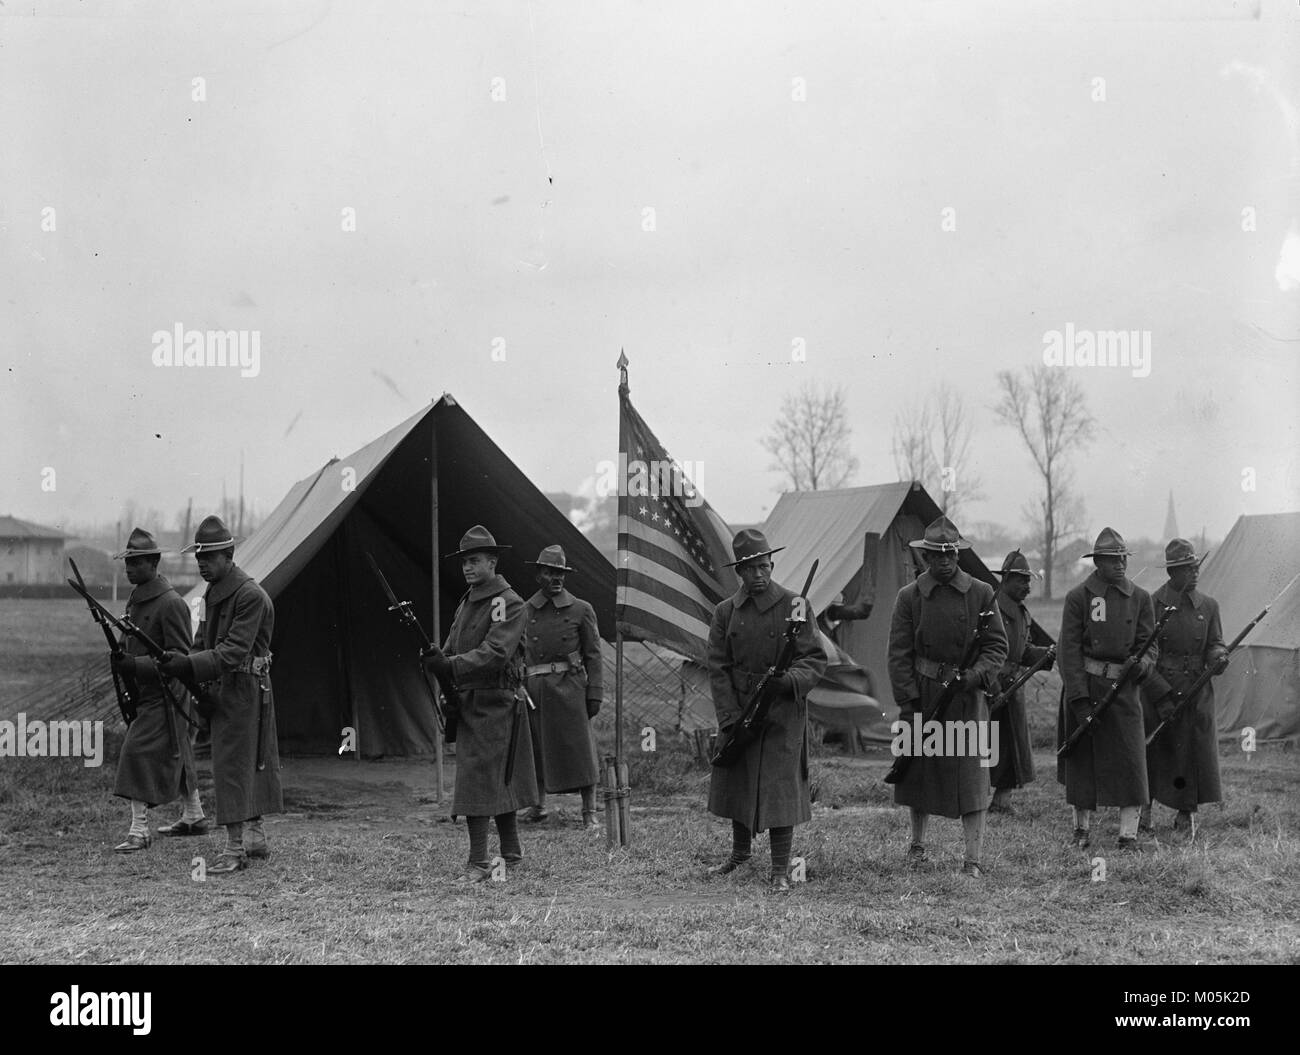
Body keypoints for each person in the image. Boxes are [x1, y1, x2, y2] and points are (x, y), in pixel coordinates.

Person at [705, 529, 827, 892]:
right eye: (751, 569)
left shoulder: (795, 606)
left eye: (765, 566)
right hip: (741, 709)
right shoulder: (725, 612)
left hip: (782, 710)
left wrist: (788, 682)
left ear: (772, 565)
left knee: (779, 789)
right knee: (739, 782)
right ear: (739, 571)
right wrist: (729, 716)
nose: (759, 575)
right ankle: (739, 855)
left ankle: (779, 870)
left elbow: (814, 658)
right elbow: (718, 666)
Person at [160, 515, 281, 874]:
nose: (202, 564)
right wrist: (183, 663)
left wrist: (188, 666)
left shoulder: (250, 596)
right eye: (199, 557)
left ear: (229, 555)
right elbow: (203, 642)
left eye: (209, 557)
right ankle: (254, 839)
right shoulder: (214, 592)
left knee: (237, 767)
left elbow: (232, 652)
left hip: (246, 689)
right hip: (224, 688)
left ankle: (235, 849)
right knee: (241, 764)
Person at [888, 516, 1007, 877]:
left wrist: (974, 676)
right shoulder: (909, 597)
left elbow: (996, 646)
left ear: (958, 553)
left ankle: (972, 858)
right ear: (924, 556)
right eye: (936, 555)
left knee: (971, 777)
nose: (944, 561)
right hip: (924, 695)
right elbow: (899, 653)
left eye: (950, 554)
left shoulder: (982, 593)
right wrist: (908, 703)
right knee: (918, 772)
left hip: (967, 700)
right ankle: (917, 844)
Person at [422, 526, 539, 881]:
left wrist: (451, 666)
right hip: (472, 701)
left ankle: (479, 862)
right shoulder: (470, 600)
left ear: (493, 562)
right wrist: (436, 657)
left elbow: (496, 653)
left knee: (479, 780)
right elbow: (454, 646)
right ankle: (512, 855)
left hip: (496, 702)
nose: (468, 568)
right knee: (495, 780)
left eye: (475, 561)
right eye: (464, 563)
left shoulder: (507, 602)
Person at [1056, 527, 1157, 851]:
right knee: (1083, 760)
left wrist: (1140, 666)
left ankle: (1128, 834)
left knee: (1131, 759)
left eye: (1123, 558)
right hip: (1087, 686)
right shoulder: (1078, 598)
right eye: (1112, 559)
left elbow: (1149, 646)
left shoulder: (1140, 598)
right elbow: (1068, 650)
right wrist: (1079, 698)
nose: (1120, 565)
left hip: (1124, 690)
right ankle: (1080, 830)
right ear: (1097, 561)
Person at [109, 528, 205, 851]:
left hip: (168, 695)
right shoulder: (137, 599)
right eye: (128, 562)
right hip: (147, 691)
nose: (129, 568)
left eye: (136, 562)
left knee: (134, 751)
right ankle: (194, 814)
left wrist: (135, 667)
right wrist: (122, 656)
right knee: (181, 752)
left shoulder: (171, 603)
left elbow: (178, 657)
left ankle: (139, 830)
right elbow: (132, 641)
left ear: (153, 563)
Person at [1140, 539, 1228, 835]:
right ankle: (1144, 811)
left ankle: (1185, 813)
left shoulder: (1209, 605)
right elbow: (1144, 655)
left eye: (1196, 567)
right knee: (1154, 752)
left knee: (1192, 752)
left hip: (1196, 691)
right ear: (1172, 572)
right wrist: (1160, 695)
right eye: (1188, 568)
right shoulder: (1152, 605)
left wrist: (1219, 657)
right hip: (1160, 689)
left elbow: (1216, 643)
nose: (1195, 572)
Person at [520, 545, 603, 830]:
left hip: (570, 689)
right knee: (537, 747)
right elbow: (517, 652)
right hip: (535, 690)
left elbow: (593, 655)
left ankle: (589, 811)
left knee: (580, 750)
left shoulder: (582, 609)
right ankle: (538, 805)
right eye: (549, 572)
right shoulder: (524, 610)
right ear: (538, 574)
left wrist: (595, 693)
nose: (556, 578)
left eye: (560, 573)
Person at [988, 550, 1054, 815]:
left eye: (1029, 581)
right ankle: (974, 801)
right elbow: (983, 651)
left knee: (1011, 746)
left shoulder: (1023, 614)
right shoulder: (990, 607)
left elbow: (1022, 651)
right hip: (990, 687)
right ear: (1006, 580)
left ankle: (1001, 802)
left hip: (1013, 687)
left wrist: (1046, 653)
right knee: (985, 747)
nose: (1028, 587)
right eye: (1022, 581)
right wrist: (991, 687)